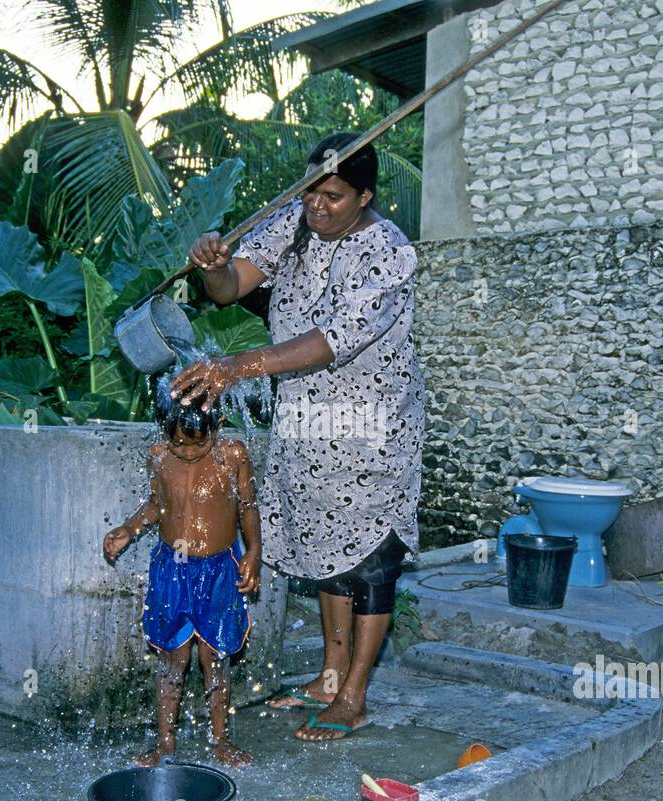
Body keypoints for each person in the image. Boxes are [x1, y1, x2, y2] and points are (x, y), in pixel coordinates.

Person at [169, 131, 424, 742]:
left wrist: (237, 367)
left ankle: (355, 694)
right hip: (307, 420)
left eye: (334, 196)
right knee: (323, 548)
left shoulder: (391, 255)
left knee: (369, 560)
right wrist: (216, 266)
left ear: (365, 196)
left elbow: (332, 341)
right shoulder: (295, 224)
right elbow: (233, 287)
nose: (318, 205)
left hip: (371, 425)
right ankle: (329, 676)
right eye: (311, 192)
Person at [102, 379, 261, 767]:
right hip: (172, 571)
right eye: (179, 443)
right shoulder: (159, 455)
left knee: (215, 657)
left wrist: (254, 551)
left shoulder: (232, 455)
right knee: (173, 660)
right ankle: (165, 742)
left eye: (197, 443)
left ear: (217, 424)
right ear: (164, 431)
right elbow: (157, 505)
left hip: (218, 571)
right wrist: (128, 528)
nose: (188, 452)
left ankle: (221, 739)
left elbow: (247, 508)